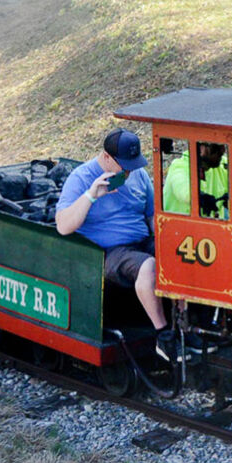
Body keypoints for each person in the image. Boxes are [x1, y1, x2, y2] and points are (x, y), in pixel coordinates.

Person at [56, 127, 167, 332]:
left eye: (132, 166)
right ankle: (163, 334)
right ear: (106, 157)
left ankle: (185, 323)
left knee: (176, 256)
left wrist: (167, 241)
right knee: (148, 265)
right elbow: (63, 226)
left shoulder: (139, 175)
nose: (128, 172)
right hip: (109, 251)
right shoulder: (81, 178)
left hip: (140, 240)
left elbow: (151, 215)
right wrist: (91, 196)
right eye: (124, 166)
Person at [163, 142, 229, 218]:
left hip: (213, 228)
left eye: (223, 145)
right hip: (178, 228)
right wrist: (202, 198)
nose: (223, 151)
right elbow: (183, 190)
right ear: (201, 148)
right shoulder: (179, 167)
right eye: (216, 147)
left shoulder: (221, 165)